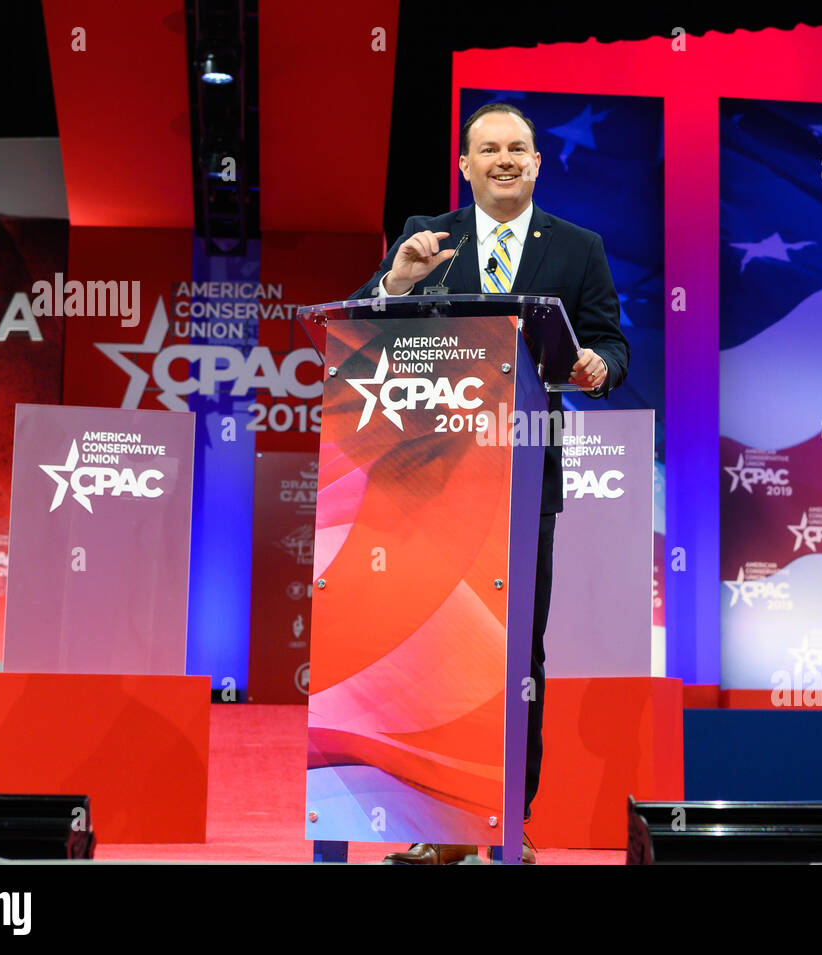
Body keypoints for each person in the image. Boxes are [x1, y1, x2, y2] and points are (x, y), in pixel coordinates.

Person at [348, 102, 630, 864]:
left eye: (517, 148)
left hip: (526, 473)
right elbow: (369, 328)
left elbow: (608, 337)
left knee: (516, 655)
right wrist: (400, 282)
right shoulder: (426, 237)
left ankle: (509, 813)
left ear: (538, 162)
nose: (504, 159)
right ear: (466, 165)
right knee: (434, 646)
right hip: (433, 474)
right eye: (487, 149)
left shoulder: (578, 248)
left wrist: (601, 366)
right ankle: (434, 823)